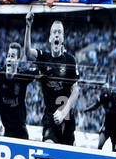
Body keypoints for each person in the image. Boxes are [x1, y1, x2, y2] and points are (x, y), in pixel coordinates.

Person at [24, 9, 81, 146]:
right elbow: (27, 53)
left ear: (62, 39)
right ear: (50, 38)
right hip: (50, 116)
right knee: (49, 146)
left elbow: (75, 90)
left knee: (68, 157)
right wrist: (28, 26)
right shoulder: (43, 58)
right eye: (54, 32)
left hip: (66, 116)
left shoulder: (70, 60)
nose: (57, 35)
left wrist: (64, 111)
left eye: (59, 32)